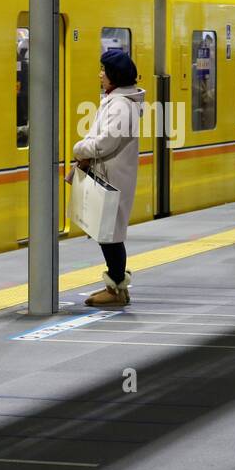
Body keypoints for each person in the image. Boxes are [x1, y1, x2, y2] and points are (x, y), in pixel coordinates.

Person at [73, 50, 145, 306]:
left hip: (113, 175)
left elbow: (106, 142)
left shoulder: (122, 106)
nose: (100, 75)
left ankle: (116, 288)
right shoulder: (117, 102)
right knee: (107, 231)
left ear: (115, 75)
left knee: (110, 233)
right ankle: (116, 287)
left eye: (104, 70)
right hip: (110, 173)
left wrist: (80, 149)